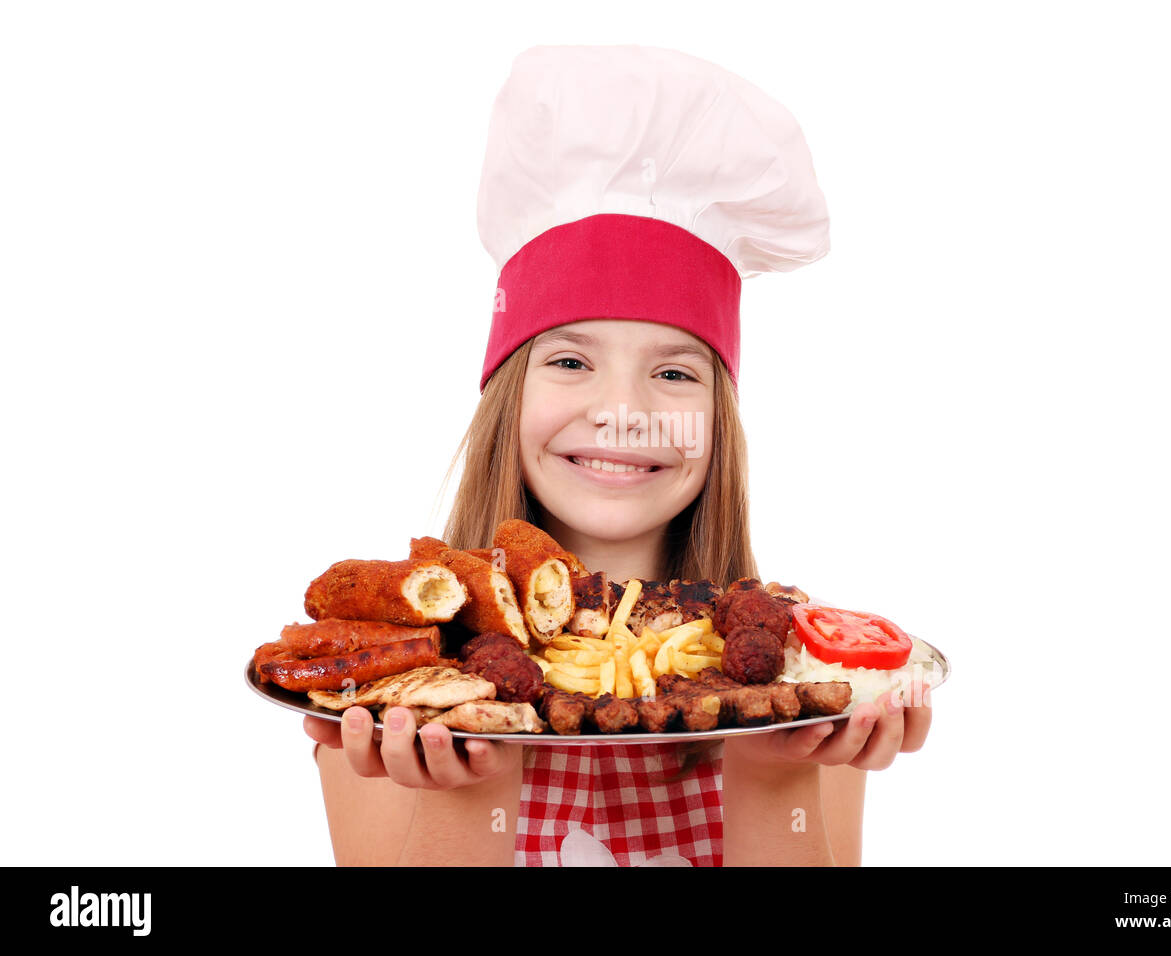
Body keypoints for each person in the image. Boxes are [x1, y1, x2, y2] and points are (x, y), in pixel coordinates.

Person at [303, 45, 933, 867]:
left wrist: (775, 769)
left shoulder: (798, 666)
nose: (625, 413)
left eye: (674, 372)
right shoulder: (399, 686)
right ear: (506, 398)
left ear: (719, 419)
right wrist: (466, 791)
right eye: (570, 362)